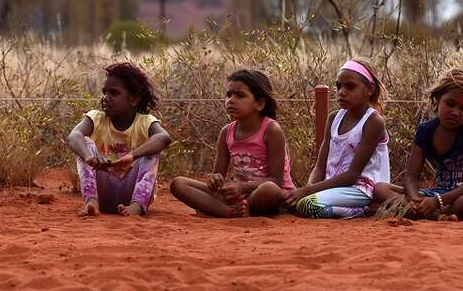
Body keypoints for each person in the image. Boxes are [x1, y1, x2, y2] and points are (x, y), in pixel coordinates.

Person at [373, 65, 463, 221]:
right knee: (379, 188)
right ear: (438, 98)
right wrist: (415, 199)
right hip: (439, 195)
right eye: (450, 104)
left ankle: (425, 213)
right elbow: (411, 177)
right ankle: (434, 214)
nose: (455, 112)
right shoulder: (425, 131)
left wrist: (437, 201)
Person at [170, 69, 295, 217]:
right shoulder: (226, 132)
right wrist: (215, 180)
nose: (231, 100)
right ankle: (230, 212)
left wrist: (242, 187)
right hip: (238, 196)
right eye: (229, 95)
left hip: (267, 195)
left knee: (269, 189)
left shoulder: (271, 130)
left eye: (240, 95)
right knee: (179, 184)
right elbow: (218, 175)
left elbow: (276, 180)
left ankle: (221, 210)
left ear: (260, 104)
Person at [285, 59, 390, 219]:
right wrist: (309, 187)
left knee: (308, 204)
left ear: (369, 89)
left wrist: (306, 192)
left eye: (350, 86)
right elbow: (320, 166)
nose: (341, 92)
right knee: (295, 203)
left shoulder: (373, 122)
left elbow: (352, 175)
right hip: (335, 187)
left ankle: (365, 211)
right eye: (338, 86)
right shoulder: (334, 118)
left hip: (360, 189)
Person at [67, 62, 172, 216]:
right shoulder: (96, 118)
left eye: (114, 93)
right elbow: (73, 136)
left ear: (134, 100)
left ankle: (136, 207)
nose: (105, 98)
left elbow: (164, 137)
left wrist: (132, 155)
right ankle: (91, 202)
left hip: (132, 194)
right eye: (104, 92)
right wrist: (90, 158)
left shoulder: (145, 122)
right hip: (101, 192)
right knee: (84, 142)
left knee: (152, 149)